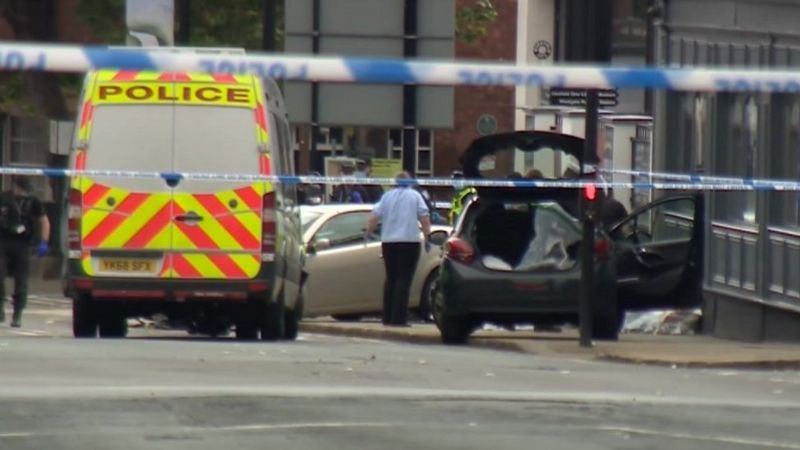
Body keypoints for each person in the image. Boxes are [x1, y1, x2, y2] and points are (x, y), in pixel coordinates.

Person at [366, 172, 431, 327]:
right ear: (409, 182)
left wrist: (368, 233)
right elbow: (424, 217)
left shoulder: (387, 197)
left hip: (389, 242)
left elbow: (374, 216)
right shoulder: (415, 196)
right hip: (409, 241)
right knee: (404, 280)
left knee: (391, 279)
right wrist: (428, 237)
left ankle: (387, 317)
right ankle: (399, 319)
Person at [0, 176, 50, 327]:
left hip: (22, 243)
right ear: (16, 187)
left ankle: (18, 314)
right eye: (23, 189)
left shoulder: (33, 201)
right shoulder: (4, 198)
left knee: (21, 280)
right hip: (3, 240)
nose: (25, 193)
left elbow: (44, 220)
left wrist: (44, 241)